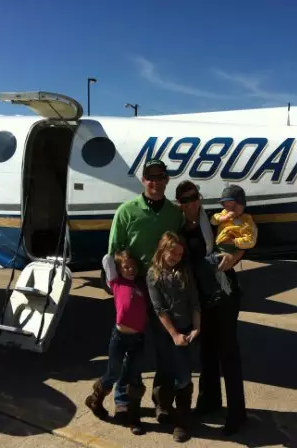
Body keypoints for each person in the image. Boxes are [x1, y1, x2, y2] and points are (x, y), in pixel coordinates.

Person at [108, 159, 184, 425]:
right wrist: (118, 290)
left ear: (166, 180)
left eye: (160, 177)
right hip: (136, 287)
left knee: (164, 349)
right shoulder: (127, 211)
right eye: (149, 177)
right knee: (131, 352)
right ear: (143, 180)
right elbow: (113, 253)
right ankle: (125, 403)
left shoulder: (175, 214)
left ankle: (163, 404)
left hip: (164, 288)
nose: (154, 182)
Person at [175, 180, 248, 436]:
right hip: (199, 298)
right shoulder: (178, 228)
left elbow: (244, 234)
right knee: (207, 352)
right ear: (179, 205)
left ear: (199, 197)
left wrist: (236, 256)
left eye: (194, 197)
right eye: (185, 200)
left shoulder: (215, 220)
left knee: (228, 353)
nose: (191, 203)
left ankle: (238, 413)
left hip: (224, 293)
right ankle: (210, 401)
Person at [85, 250, 149, 435]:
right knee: (114, 372)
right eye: (125, 267)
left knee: (135, 376)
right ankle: (95, 399)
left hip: (138, 338)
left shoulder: (141, 286)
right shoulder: (115, 283)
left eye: (133, 267)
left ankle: (133, 418)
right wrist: (118, 252)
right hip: (119, 337)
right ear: (119, 269)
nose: (130, 270)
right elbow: (106, 259)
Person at [147, 231, 201, 443]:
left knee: (184, 375)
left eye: (180, 254)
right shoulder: (153, 275)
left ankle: (182, 420)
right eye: (173, 252)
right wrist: (174, 334)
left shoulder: (185, 272)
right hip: (166, 332)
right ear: (163, 250)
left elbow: (194, 301)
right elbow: (159, 309)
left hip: (186, 330)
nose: (176, 257)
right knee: (165, 369)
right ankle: (164, 407)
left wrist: (196, 327)